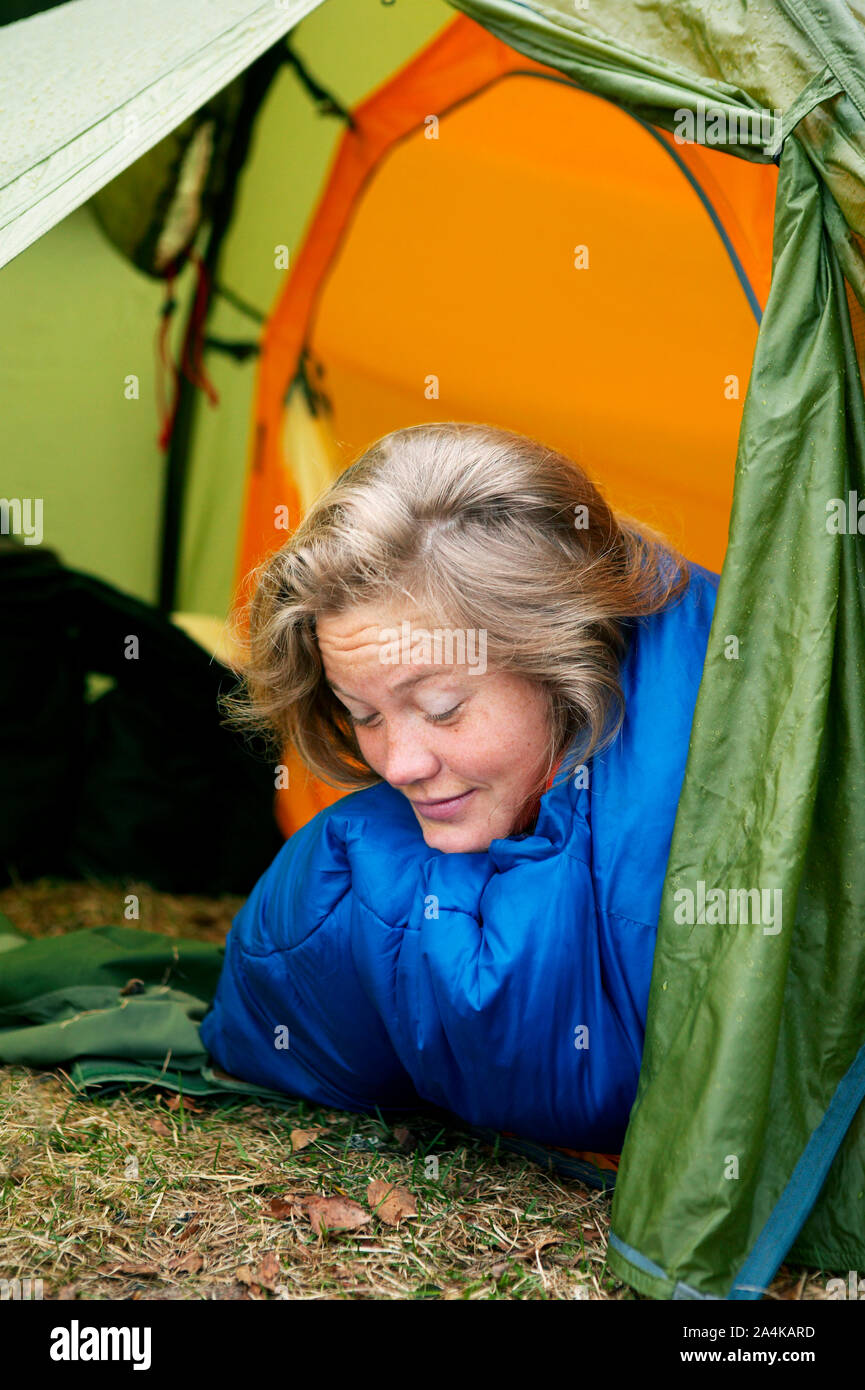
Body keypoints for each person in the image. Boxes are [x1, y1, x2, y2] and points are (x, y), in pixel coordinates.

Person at [200, 422, 719, 1150]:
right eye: (364, 715)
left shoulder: (707, 740)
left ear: (561, 656)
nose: (400, 764)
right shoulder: (377, 844)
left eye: (442, 708)